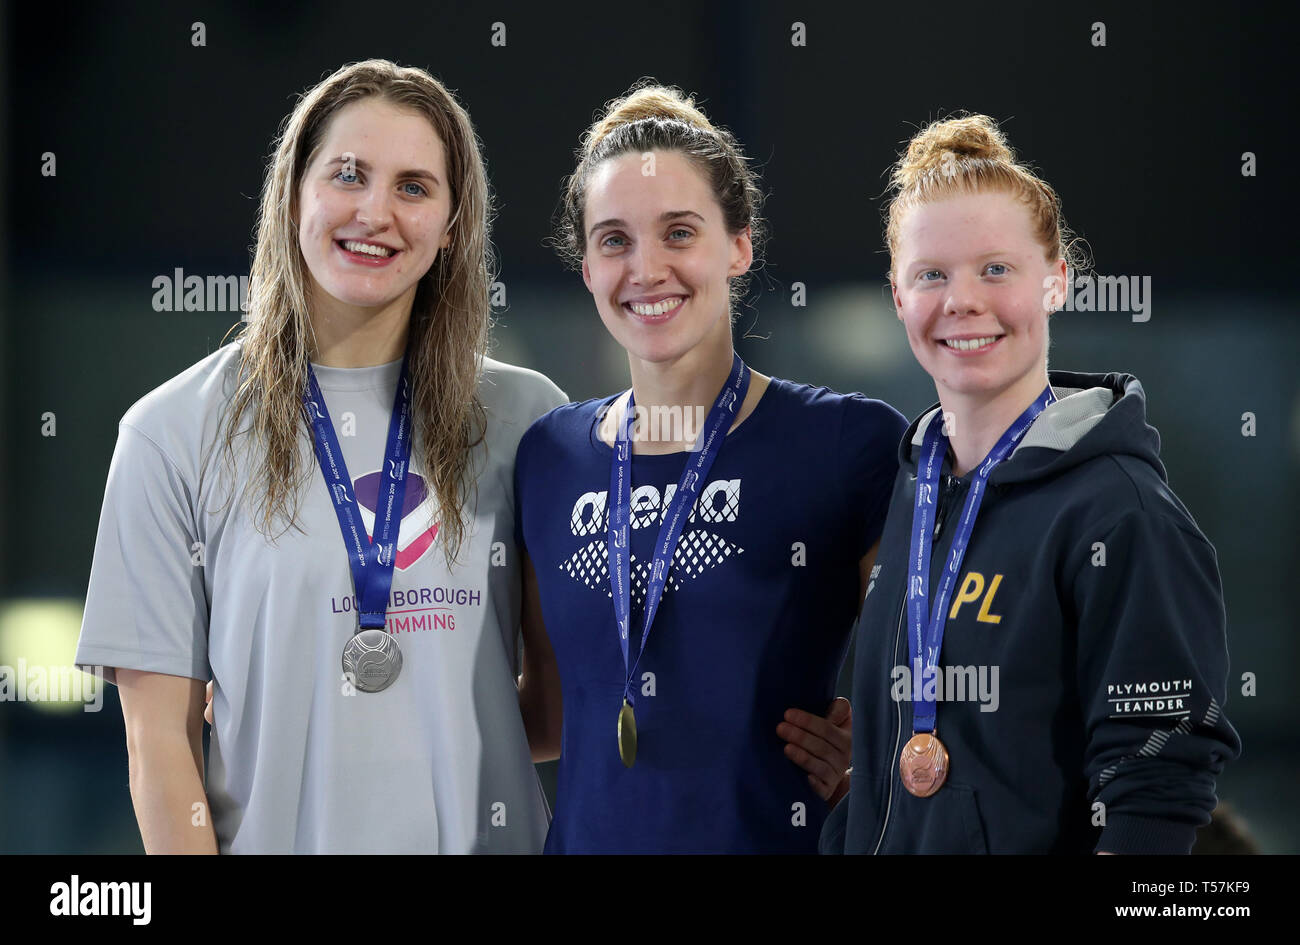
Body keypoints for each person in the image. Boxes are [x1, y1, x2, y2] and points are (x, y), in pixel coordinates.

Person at [73, 59, 566, 854]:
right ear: (293, 195)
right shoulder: (171, 433)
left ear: (451, 225)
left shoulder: (528, 418)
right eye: (348, 175)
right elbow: (159, 749)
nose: (376, 212)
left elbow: (561, 710)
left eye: (414, 186)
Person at [820, 114, 1241, 855]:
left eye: (995, 269)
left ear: (1056, 282)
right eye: (931, 275)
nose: (962, 301)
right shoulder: (910, 490)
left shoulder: (1123, 513)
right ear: (897, 295)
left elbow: (1156, 787)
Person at [512, 84, 908, 853]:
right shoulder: (548, 456)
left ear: (739, 245)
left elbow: (937, 685)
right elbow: (553, 714)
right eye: (614, 239)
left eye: (679, 232)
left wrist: (882, 764)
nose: (646, 267)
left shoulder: (847, 444)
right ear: (587, 266)